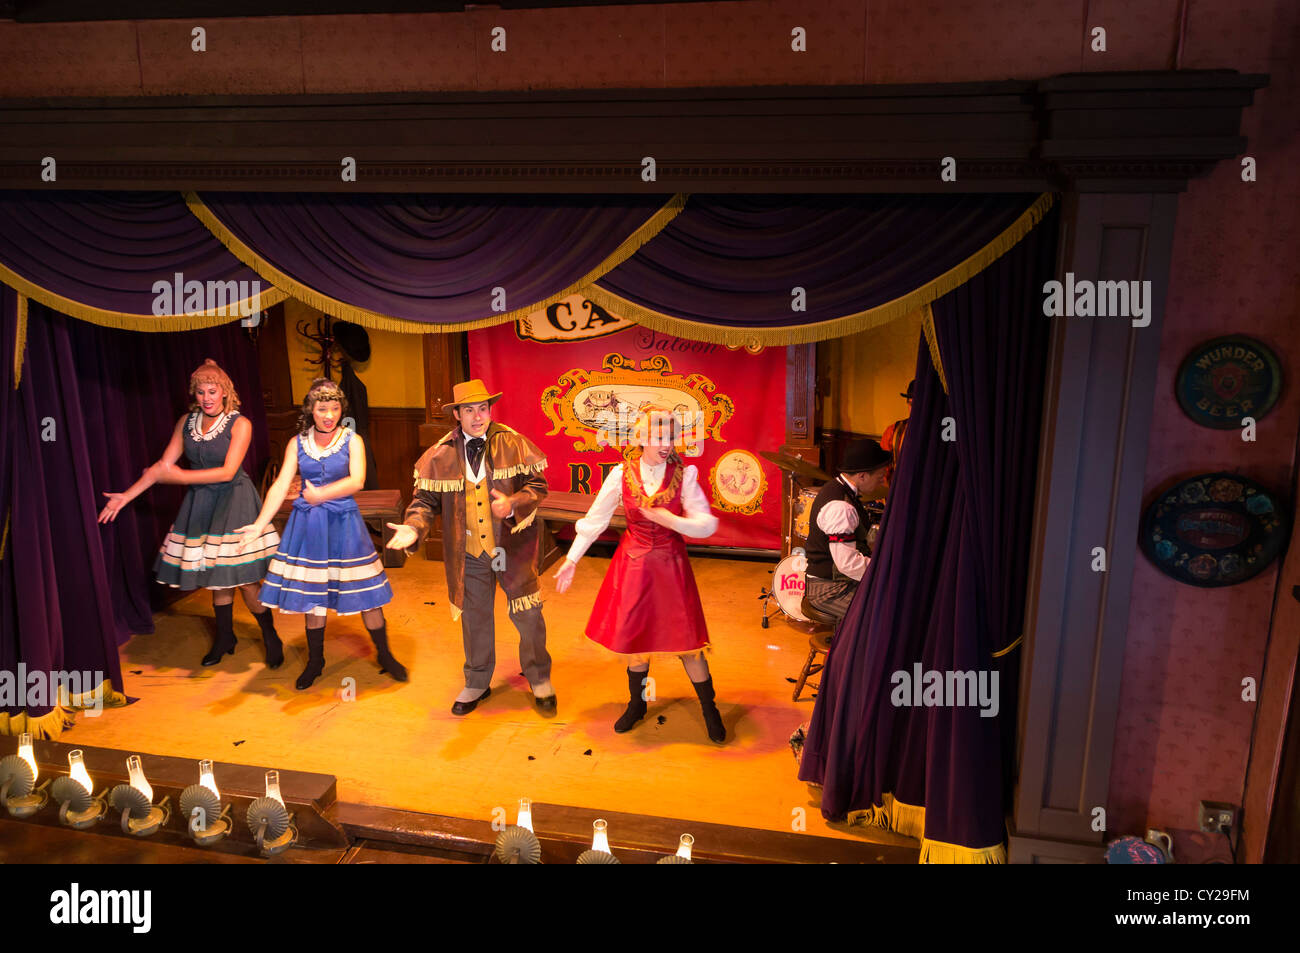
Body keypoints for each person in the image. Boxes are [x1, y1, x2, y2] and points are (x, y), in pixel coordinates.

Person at [553, 406, 727, 743]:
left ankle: (710, 709)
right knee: (636, 645)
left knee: (689, 645)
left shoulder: (683, 474)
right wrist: (572, 560)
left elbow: (707, 524)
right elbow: (595, 521)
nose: (667, 444)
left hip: (670, 567)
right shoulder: (621, 474)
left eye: (671, 437)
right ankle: (638, 704)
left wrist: (671, 521)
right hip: (633, 566)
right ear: (643, 437)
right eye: (660, 437)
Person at [97, 359, 283, 667]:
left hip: (234, 501)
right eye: (201, 392)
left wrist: (180, 477)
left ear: (225, 392)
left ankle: (270, 636)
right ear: (194, 394)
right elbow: (162, 466)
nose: (207, 398)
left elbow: (227, 472)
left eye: (213, 391)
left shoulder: (241, 424)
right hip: (202, 503)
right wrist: (125, 497)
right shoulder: (186, 422)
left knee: (246, 580)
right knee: (215, 577)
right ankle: (225, 637)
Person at [386, 379, 554, 716]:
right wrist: (413, 526)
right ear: (457, 415)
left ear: (490, 410)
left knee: (528, 614)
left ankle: (539, 678)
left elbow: (539, 486)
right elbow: (424, 502)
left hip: (512, 547)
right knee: (475, 619)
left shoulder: (513, 443)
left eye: (482, 408)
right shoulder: (441, 453)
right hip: (471, 552)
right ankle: (477, 680)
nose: (478, 417)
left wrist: (514, 502)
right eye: (469, 410)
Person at [237, 378, 403, 690]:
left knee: (366, 595)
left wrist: (320, 494)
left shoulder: (352, 440)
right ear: (310, 409)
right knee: (313, 597)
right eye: (322, 408)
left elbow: (357, 481)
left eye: (335, 408)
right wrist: (259, 525)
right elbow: (280, 485)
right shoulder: (296, 443)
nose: (329, 415)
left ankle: (384, 654)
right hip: (309, 526)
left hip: (344, 524)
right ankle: (316, 661)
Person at [802, 438, 892, 622]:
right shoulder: (841, 507)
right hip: (829, 590)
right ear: (862, 476)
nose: (882, 482)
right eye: (880, 477)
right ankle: (854, 650)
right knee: (887, 613)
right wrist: (885, 570)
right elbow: (847, 564)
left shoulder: (840, 489)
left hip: (840, 582)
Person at [880, 379, 912, 486]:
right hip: (898, 489)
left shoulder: (943, 430)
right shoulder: (894, 430)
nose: (913, 409)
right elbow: (883, 469)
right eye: (910, 404)